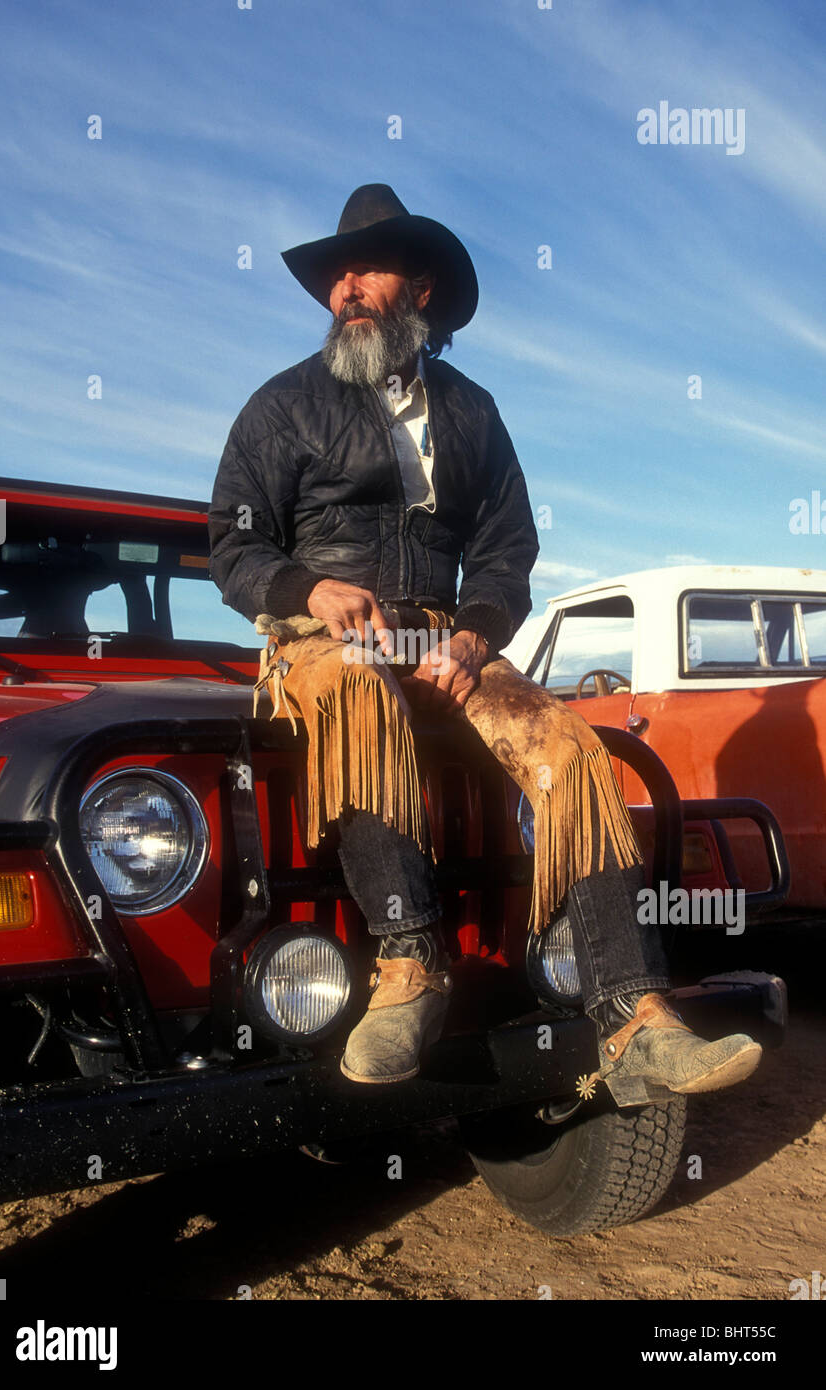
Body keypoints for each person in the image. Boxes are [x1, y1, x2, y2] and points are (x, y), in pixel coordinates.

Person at [209, 183, 761, 1101]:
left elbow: (508, 548)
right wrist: (311, 587)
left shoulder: (472, 411)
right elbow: (232, 542)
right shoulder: (280, 407)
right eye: (335, 275)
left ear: (418, 289)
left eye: (366, 269)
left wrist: (474, 634)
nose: (344, 288)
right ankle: (409, 968)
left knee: (570, 746)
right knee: (356, 686)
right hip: (323, 639)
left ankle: (633, 1015)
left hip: (442, 639)